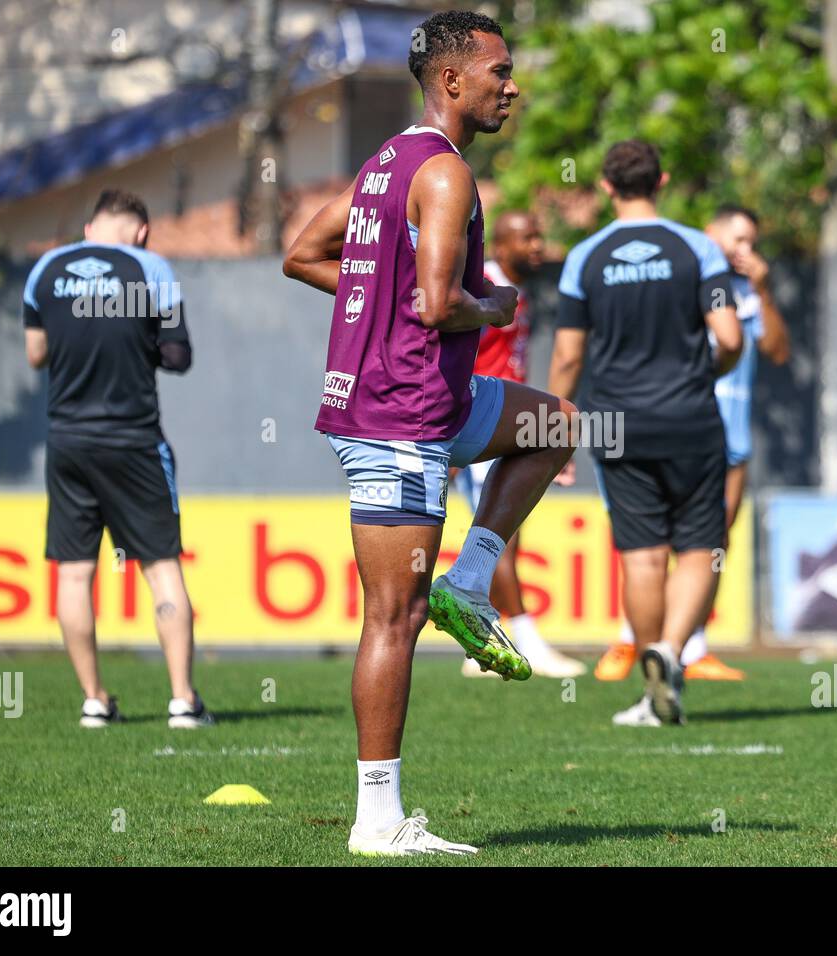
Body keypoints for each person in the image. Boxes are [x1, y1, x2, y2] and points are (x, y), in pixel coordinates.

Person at [282, 10, 575, 855]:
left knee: (554, 421)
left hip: (434, 402)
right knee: (392, 619)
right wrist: (498, 304)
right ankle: (377, 821)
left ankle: (473, 582)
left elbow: (304, 255)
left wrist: (383, 294)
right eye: (500, 72)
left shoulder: (387, 161)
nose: (511, 86)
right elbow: (440, 305)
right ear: (452, 80)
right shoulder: (443, 175)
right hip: (397, 418)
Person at [548, 140, 742, 727]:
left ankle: (650, 671)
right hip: (691, 418)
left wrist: (559, 429)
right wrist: (702, 375)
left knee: (641, 556)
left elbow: (566, 355)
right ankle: (671, 653)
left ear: (607, 187)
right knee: (701, 548)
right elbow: (730, 337)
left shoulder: (585, 257)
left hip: (614, 422)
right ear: (662, 179)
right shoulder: (699, 249)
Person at [22, 188, 211, 729]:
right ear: (142, 231)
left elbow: (36, 354)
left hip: (67, 441)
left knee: (76, 573)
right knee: (161, 567)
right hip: (134, 441)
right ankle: (181, 700)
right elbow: (178, 356)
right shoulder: (150, 268)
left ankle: (94, 701)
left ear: (89, 228)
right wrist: (137, 340)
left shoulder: (44, 270)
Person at [592, 204, 789, 683]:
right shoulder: (678, 279)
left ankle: (689, 646)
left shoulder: (742, 292)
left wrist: (762, 288)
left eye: (751, 243)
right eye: (737, 239)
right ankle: (632, 638)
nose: (745, 251)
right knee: (647, 542)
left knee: (710, 542)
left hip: (731, 436)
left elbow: (779, 351)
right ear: (710, 234)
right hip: (677, 423)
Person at [455, 210, 586, 679]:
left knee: (503, 533)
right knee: (498, 539)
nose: (537, 245)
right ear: (501, 242)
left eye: (539, 235)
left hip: (509, 419)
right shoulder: (482, 284)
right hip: (481, 421)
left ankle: (479, 645)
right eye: (527, 237)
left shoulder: (514, 289)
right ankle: (522, 636)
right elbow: (459, 350)